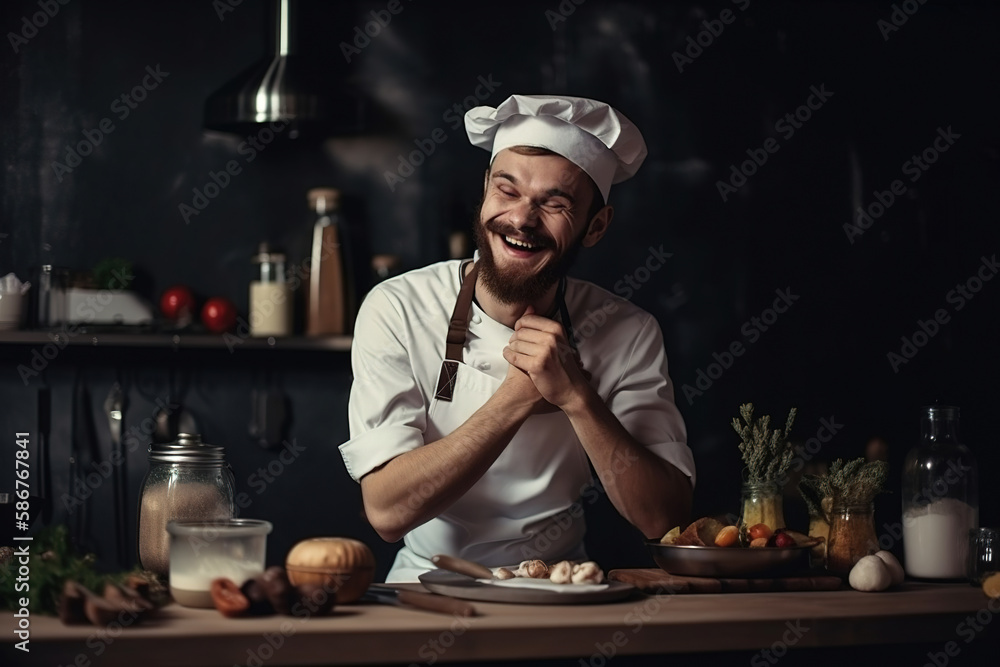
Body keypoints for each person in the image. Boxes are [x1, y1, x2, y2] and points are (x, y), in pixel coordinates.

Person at [340, 94, 695, 582]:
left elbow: (664, 518)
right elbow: (387, 512)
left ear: (596, 226)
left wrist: (577, 397)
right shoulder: (399, 307)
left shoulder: (627, 331)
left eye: (555, 203)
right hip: (426, 585)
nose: (522, 219)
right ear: (485, 188)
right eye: (507, 190)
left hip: (560, 586)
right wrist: (515, 397)